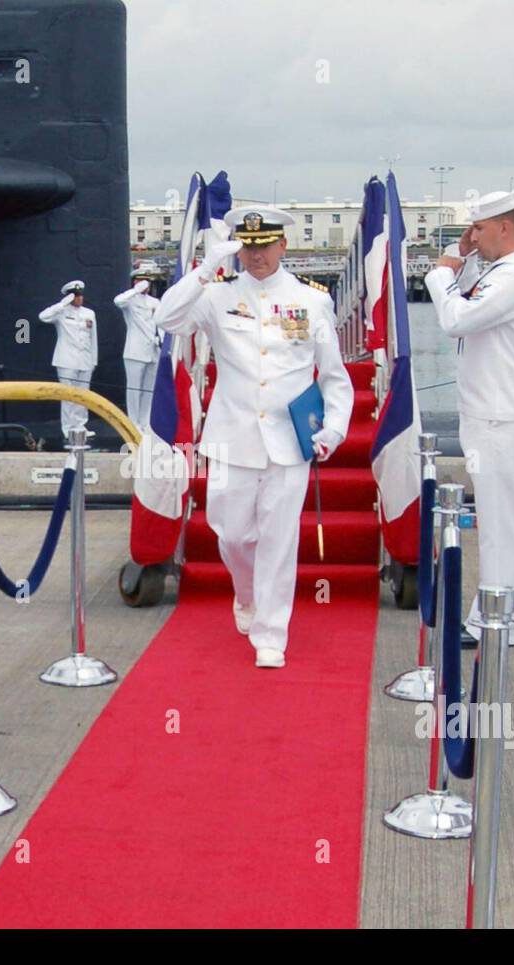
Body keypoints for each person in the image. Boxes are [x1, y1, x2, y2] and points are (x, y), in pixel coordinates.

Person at [154, 205, 353, 668]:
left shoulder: (312, 301)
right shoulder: (217, 296)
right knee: (232, 534)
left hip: (289, 441)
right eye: (248, 245)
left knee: (279, 539)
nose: (256, 255)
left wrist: (335, 428)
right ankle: (244, 591)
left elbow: (335, 376)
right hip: (232, 435)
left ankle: (270, 633)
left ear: (283, 245)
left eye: (265, 245)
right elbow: (166, 319)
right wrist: (205, 268)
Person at [424, 190, 514, 647]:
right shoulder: (502, 271)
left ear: (503, 226)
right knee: (497, 519)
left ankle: (498, 618)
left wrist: (441, 272)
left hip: (499, 412)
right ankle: (494, 612)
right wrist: (465, 257)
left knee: (499, 521)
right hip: (487, 409)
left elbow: (457, 318)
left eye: (478, 228)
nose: (471, 236)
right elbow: (472, 295)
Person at [41, 280, 97, 441]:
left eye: (81, 295)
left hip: (85, 359)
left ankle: (80, 426)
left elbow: (93, 338)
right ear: (70, 297)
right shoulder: (61, 312)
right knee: (67, 396)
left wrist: (94, 359)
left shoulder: (89, 313)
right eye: (76, 295)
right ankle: (68, 428)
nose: (80, 298)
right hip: (66, 360)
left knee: (83, 395)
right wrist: (61, 304)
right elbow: (43, 316)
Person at [114, 266, 161, 430]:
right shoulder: (130, 301)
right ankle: (133, 423)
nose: (145, 284)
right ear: (136, 282)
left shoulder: (155, 302)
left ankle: (145, 421)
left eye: (147, 281)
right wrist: (135, 290)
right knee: (134, 390)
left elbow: (160, 323)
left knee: (149, 390)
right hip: (135, 351)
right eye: (142, 281)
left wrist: (159, 339)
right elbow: (118, 301)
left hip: (153, 351)